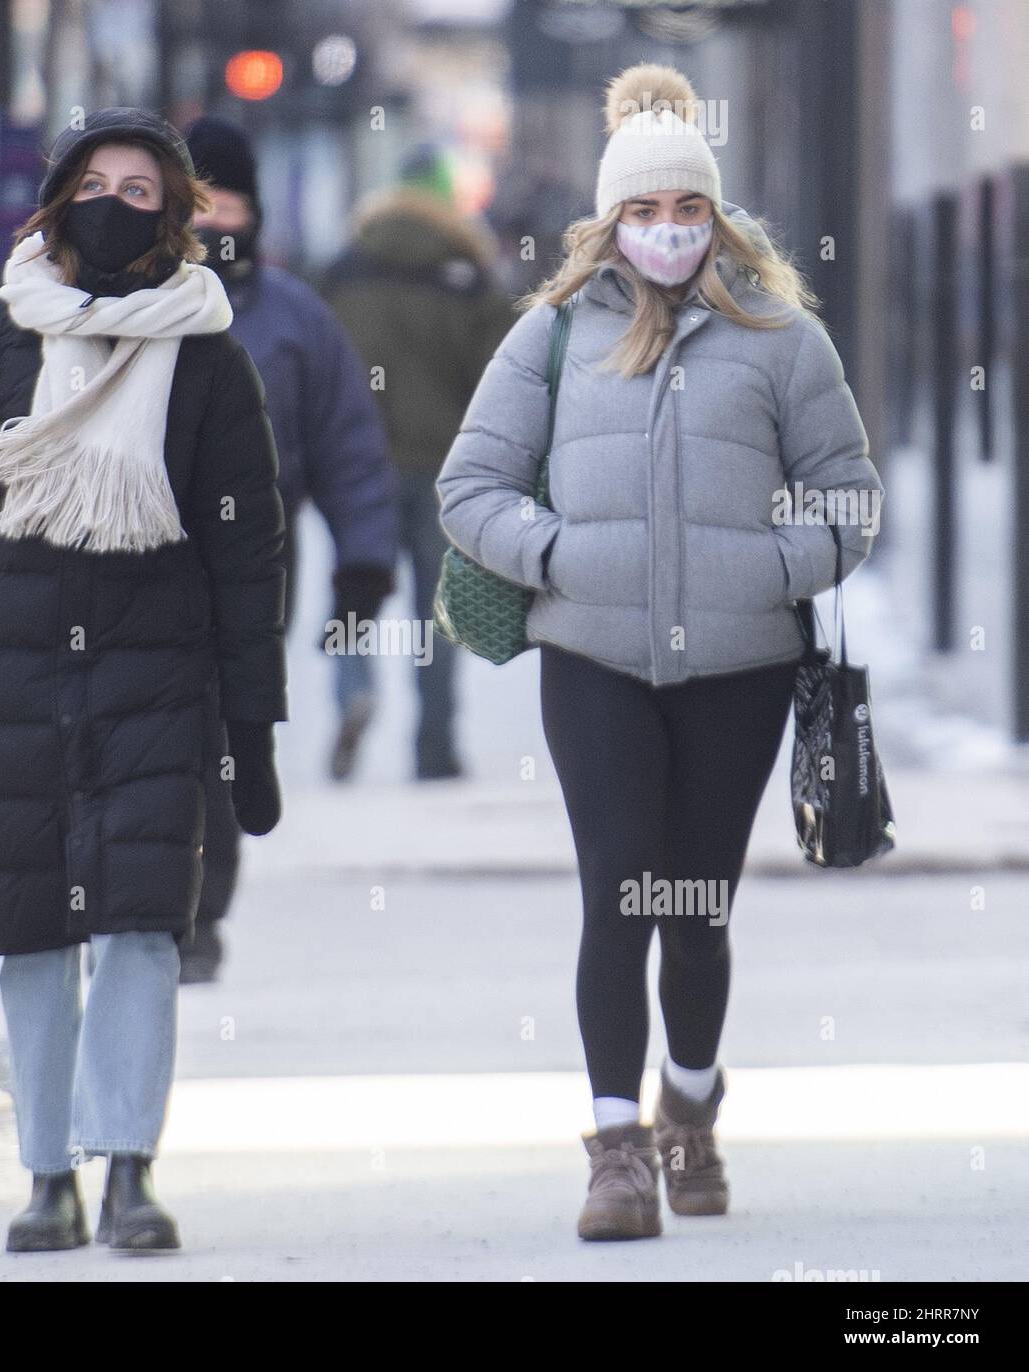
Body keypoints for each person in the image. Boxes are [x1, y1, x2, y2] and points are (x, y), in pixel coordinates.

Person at [436, 64, 883, 1241]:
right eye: (645, 212)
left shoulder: (782, 339)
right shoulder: (546, 340)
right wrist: (557, 554)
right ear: (609, 221)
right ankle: (615, 1151)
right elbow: (468, 486)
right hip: (594, 657)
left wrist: (776, 567)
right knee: (617, 888)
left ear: (715, 218)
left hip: (739, 668)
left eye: (687, 210)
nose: (668, 232)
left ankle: (690, 1101)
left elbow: (849, 497)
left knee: (695, 904)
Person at [0, 108, 287, 1254]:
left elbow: (244, 548)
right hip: (12, 678)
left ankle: (130, 1171)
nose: (116, 204)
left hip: (158, 683)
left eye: (143, 190)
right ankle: (47, 1172)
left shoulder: (207, 353)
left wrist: (250, 724)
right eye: (96, 184)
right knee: (35, 937)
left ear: (174, 215)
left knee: (145, 929)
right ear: (58, 200)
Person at [178, 114, 398, 982]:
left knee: (227, 736)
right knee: (150, 733)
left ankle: (200, 913)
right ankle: (133, 896)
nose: (217, 223)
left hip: (260, 561)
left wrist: (364, 565)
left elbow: (349, 443)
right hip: (138, 556)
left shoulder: (298, 318)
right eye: (199, 203)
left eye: (230, 204)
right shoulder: (129, 306)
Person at [323, 144, 516, 780]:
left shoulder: (346, 269)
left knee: (355, 586)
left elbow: (319, 367)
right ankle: (434, 748)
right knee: (438, 614)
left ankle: (352, 689)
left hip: (358, 467)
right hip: (443, 469)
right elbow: (502, 380)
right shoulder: (469, 276)